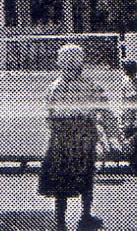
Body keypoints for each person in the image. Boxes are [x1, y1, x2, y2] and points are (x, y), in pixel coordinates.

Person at [38, 44, 118, 231]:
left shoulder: (53, 87)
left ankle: (61, 223)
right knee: (86, 177)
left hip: (62, 137)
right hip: (83, 136)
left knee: (61, 180)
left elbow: (48, 118)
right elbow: (105, 112)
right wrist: (112, 136)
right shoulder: (91, 85)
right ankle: (85, 216)